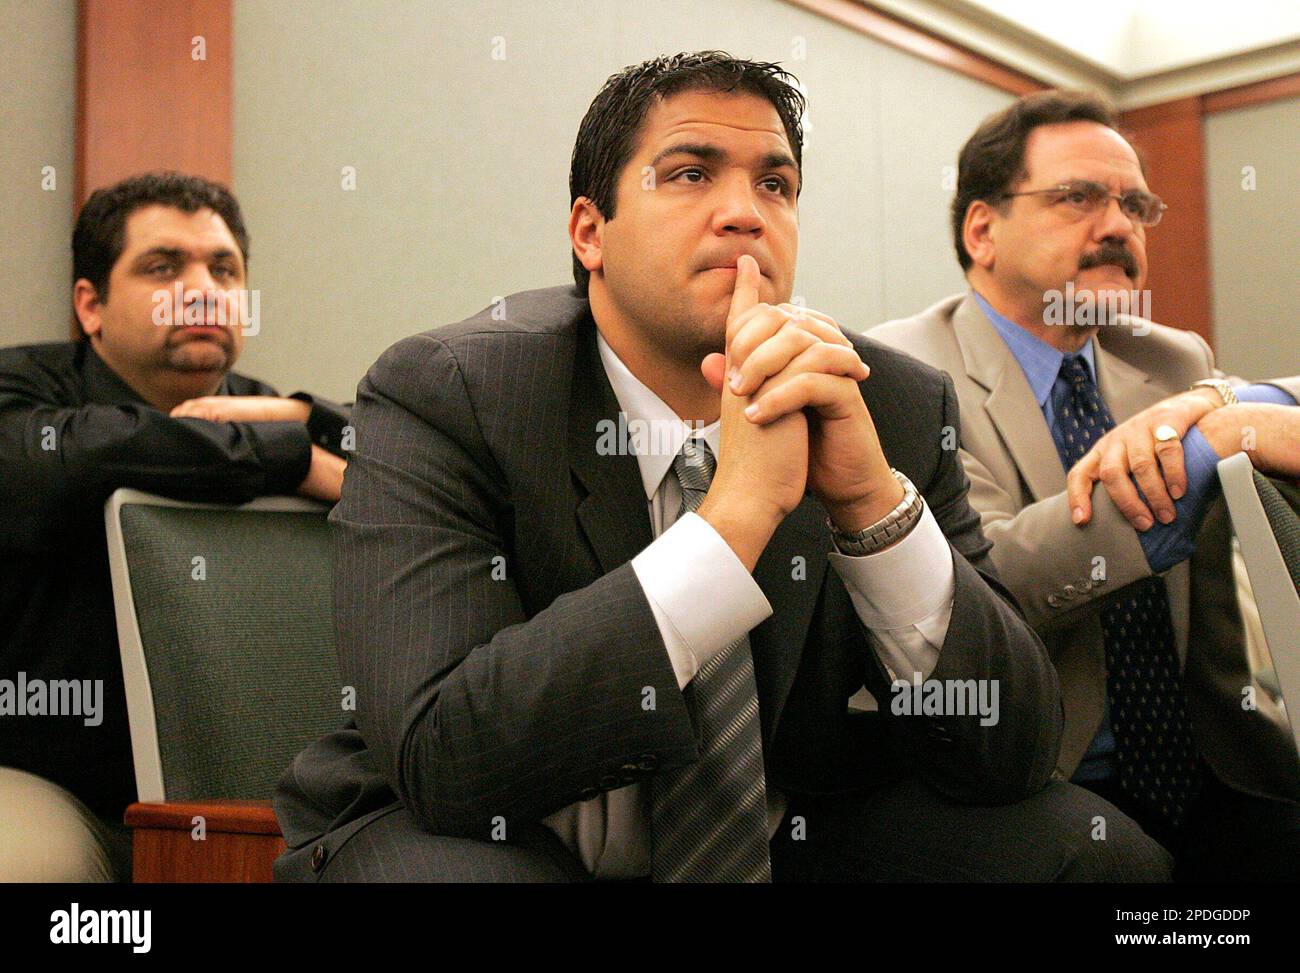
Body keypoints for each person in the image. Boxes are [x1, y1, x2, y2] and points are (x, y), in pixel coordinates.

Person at [273, 54, 1169, 883]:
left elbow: (1009, 752)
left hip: (777, 830)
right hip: (488, 826)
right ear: (590, 231)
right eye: (691, 172)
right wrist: (730, 522)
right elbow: (446, 754)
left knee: (1095, 859)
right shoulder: (453, 391)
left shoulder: (886, 400)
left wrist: (872, 505)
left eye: (775, 184)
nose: (745, 211)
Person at [870, 90, 1300, 880]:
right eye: (1079, 198)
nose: (1118, 226)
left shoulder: (1173, 360)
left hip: (1220, 764)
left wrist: (1230, 407)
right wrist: (1204, 446)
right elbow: (986, 579)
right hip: (1042, 774)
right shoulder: (901, 373)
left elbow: (1291, 410)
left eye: (1135, 203)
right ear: (982, 230)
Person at [0, 172, 351, 881]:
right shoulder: (23, 392)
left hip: (253, 790)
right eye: (164, 267)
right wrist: (290, 455)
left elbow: (418, 456)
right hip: (49, 778)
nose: (202, 288)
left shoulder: (276, 409)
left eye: (223, 268)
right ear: (90, 306)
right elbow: (62, 460)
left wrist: (303, 417)